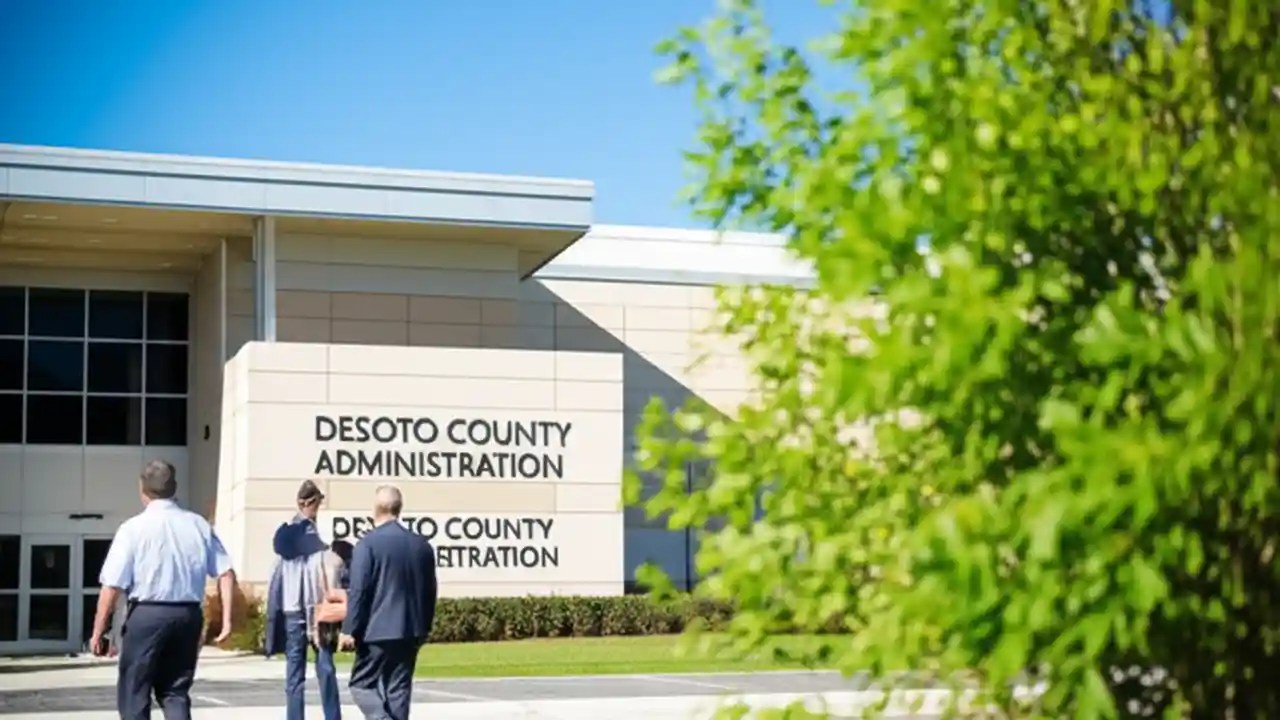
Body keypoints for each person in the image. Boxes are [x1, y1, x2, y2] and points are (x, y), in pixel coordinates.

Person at [90, 460, 236, 720]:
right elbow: (225, 572)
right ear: (174, 488)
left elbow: (111, 585)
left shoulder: (132, 529)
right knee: (175, 691)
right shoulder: (198, 525)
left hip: (147, 615)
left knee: (135, 691)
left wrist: (98, 631)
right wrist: (226, 622)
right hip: (187, 615)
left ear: (142, 488)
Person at [341, 486, 438, 720]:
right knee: (399, 690)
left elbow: (360, 590)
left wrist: (349, 629)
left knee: (361, 685)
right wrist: (424, 627)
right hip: (410, 630)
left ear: (375, 508)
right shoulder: (422, 546)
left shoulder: (367, 545)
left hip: (377, 631)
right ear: (399, 508)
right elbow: (430, 591)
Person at [264, 480, 342, 720]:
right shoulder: (312, 535)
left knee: (294, 674)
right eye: (317, 502)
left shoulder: (285, 537)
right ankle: (332, 717)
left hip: (291, 609)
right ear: (312, 503)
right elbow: (326, 570)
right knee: (325, 668)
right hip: (316, 609)